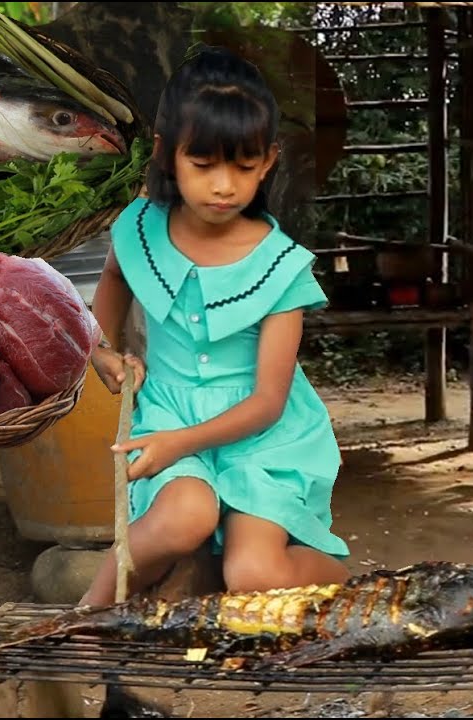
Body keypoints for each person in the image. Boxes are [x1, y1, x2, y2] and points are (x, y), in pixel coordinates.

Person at [81, 46, 352, 608]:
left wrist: (181, 443)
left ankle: (341, 575)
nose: (224, 186)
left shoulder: (282, 266)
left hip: (263, 437)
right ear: (167, 155)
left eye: (243, 166)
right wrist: (100, 351)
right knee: (185, 518)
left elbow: (269, 402)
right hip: (169, 414)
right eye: (204, 166)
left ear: (269, 161)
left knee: (252, 574)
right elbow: (113, 277)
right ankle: (88, 611)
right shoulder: (141, 225)